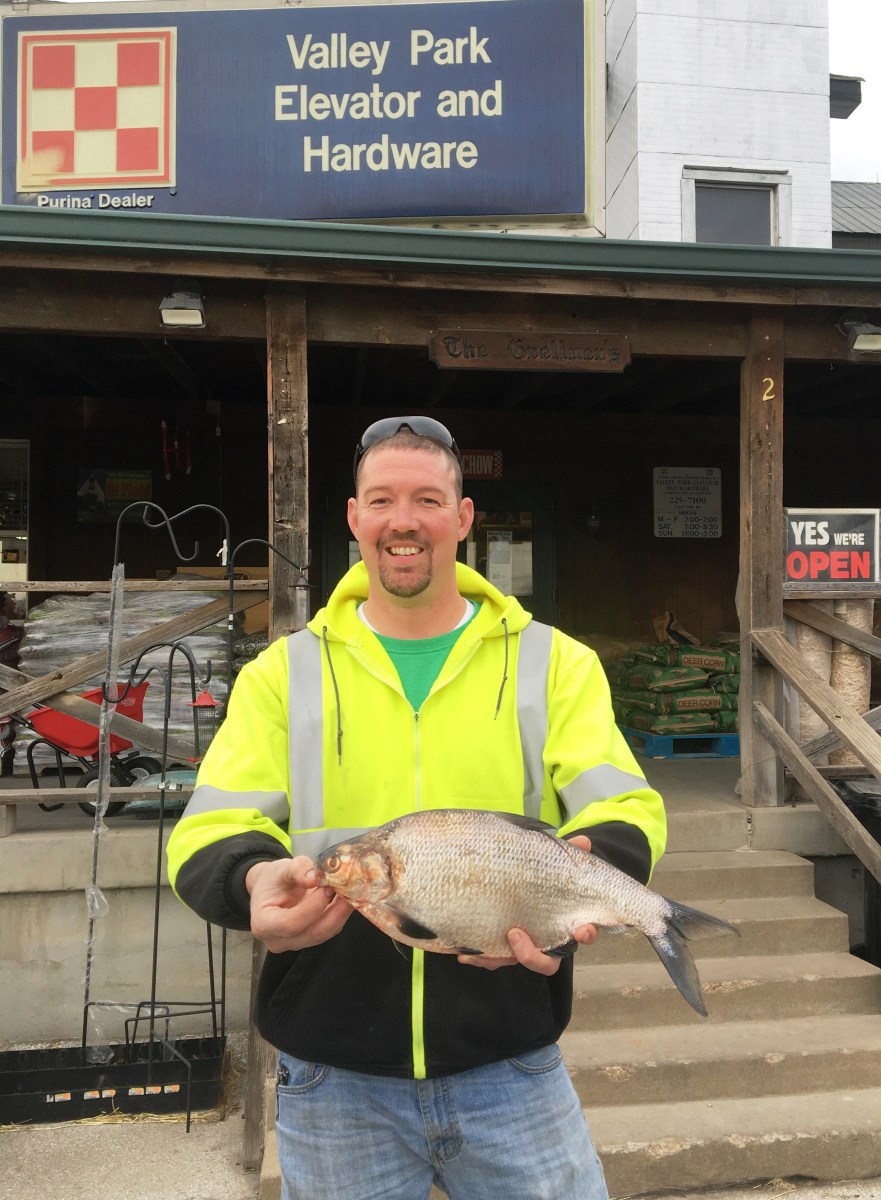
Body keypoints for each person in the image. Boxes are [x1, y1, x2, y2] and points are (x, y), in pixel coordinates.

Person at [166, 416, 666, 1200]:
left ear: (462, 519)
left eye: (428, 499)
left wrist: (579, 893)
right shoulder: (282, 675)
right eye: (383, 499)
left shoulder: (554, 662)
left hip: (511, 1068)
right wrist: (249, 883)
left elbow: (625, 806)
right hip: (333, 1080)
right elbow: (213, 826)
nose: (404, 521)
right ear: (354, 517)